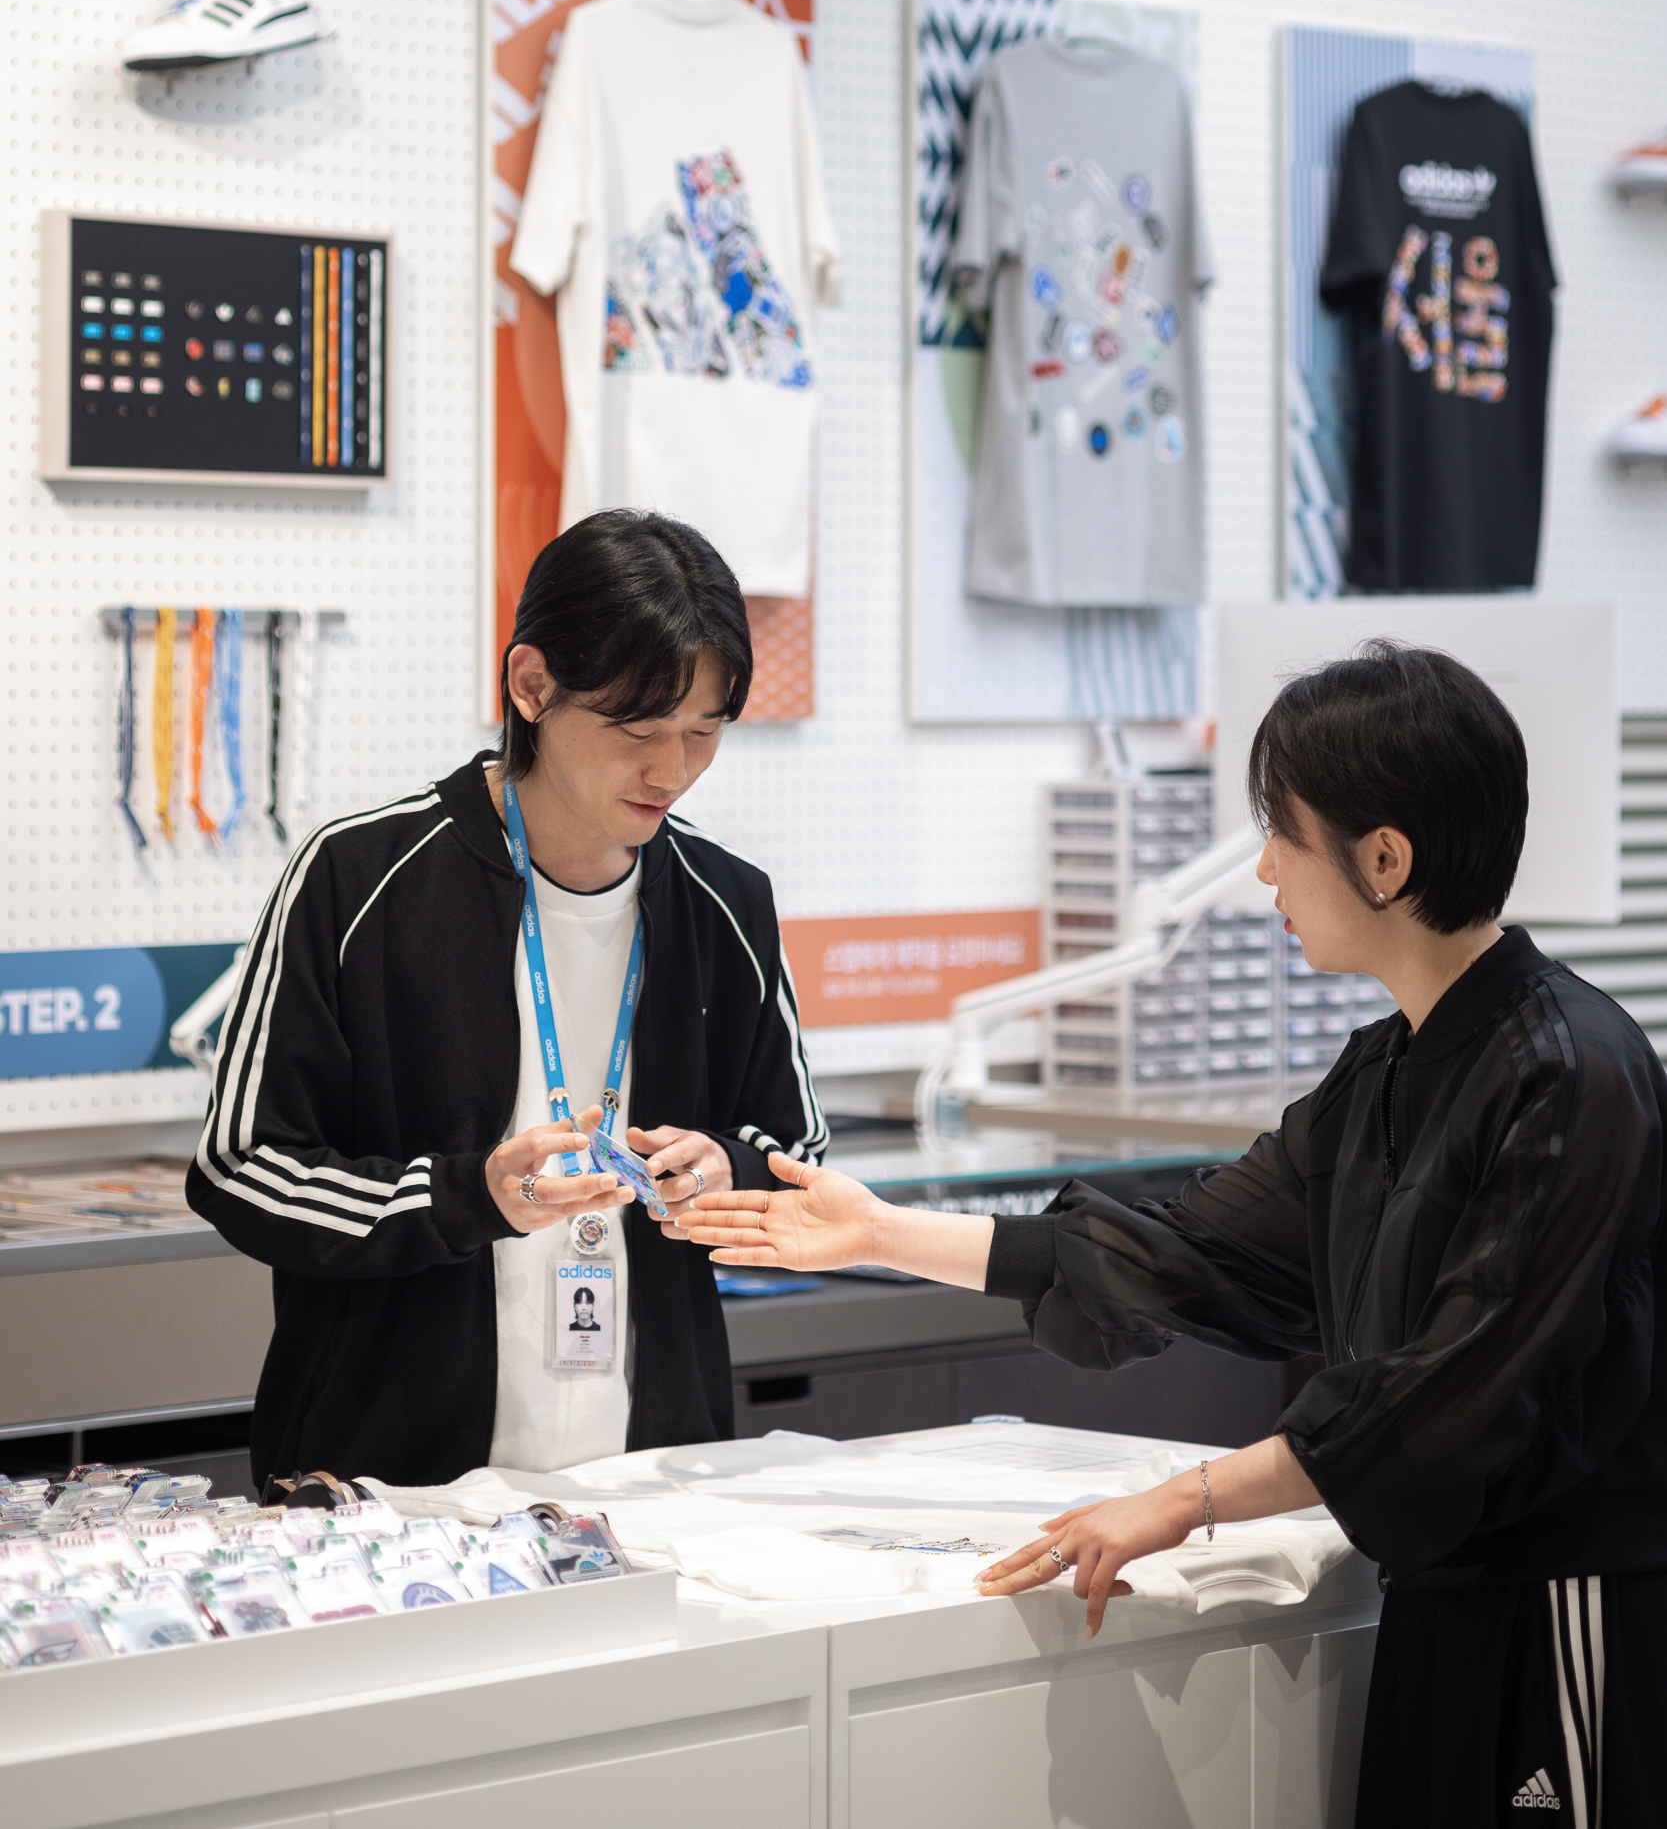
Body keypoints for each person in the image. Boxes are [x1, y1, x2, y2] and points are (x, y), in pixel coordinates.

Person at [681, 642, 1667, 1829]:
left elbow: (1449, 1391)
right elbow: (1186, 1248)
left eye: (1280, 836)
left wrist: (1184, 1497)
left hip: (1563, 1602)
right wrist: (879, 1229)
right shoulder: (1387, 1068)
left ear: (1383, 858)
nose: (1260, 872)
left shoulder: (1569, 1072)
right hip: (1436, 1601)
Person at [189, 509, 826, 1487]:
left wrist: (727, 1169)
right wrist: (461, 1197)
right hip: (391, 1489)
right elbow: (242, 1168)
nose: (671, 768)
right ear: (531, 684)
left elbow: (801, 1158)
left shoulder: (725, 900)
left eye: (703, 731)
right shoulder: (359, 879)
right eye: (636, 727)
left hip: (658, 1480)